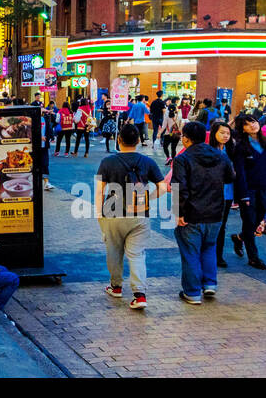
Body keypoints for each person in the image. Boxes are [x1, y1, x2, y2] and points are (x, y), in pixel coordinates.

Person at [96, 123, 166, 310]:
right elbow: (164, 187)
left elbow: (99, 191)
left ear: (118, 140)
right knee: (136, 255)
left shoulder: (107, 162)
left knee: (113, 251)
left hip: (112, 213)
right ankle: (139, 295)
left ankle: (116, 287)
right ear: (138, 141)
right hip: (139, 214)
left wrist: (98, 215)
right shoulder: (148, 162)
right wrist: (148, 198)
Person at [170, 121, 234, 304]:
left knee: (190, 251)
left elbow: (179, 187)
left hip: (192, 212)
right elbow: (230, 177)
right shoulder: (219, 155)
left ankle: (192, 292)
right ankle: (210, 284)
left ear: (187, 139)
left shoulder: (183, 158)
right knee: (209, 248)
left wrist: (179, 212)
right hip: (215, 211)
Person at [228, 111, 266, 269]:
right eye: (247, 123)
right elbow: (240, 172)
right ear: (242, 129)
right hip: (248, 190)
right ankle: (253, 257)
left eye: (254, 122)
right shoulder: (240, 146)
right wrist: (242, 195)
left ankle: (239, 238)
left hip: (265, 188)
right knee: (250, 221)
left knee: (259, 220)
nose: (252, 125)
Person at [208, 121, 237, 268]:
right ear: (214, 134)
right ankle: (208, 253)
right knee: (210, 225)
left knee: (222, 225)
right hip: (211, 194)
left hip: (227, 194)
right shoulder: (207, 151)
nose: (225, 136)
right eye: (222, 133)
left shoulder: (231, 150)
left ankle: (218, 255)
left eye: (227, 133)